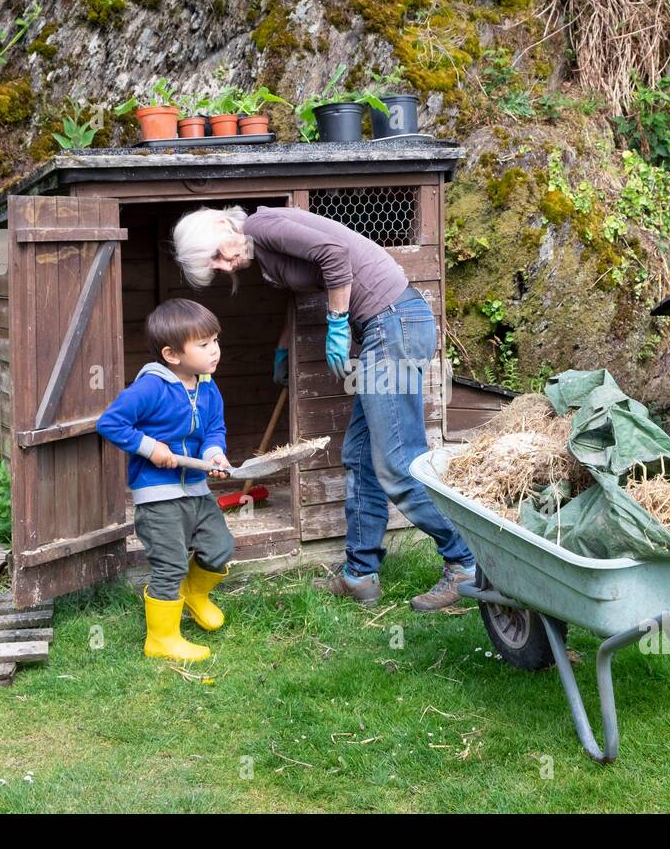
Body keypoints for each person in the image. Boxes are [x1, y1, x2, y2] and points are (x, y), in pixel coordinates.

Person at [171, 204, 477, 612]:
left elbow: (334, 252)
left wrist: (336, 322)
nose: (223, 267)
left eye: (216, 256)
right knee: (361, 457)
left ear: (221, 226)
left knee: (399, 465)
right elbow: (302, 295)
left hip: (395, 324)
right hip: (384, 328)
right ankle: (360, 575)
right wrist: (283, 348)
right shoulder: (262, 253)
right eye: (214, 268)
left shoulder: (261, 226)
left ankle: (468, 564)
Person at [96, 298, 235, 662]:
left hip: (197, 490)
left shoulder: (208, 387)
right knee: (170, 563)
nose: (215, 351)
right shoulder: (151, 389)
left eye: (216, 340)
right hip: (158, 496)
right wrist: (148, 446)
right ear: (172, 354)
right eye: (203, 345)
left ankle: (195, 594)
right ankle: (161, 638)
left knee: (220, 547)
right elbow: (110, 423)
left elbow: (214, 429)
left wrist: (213, 455)